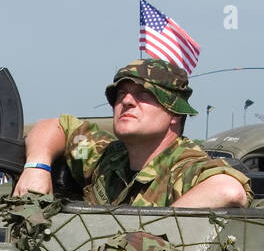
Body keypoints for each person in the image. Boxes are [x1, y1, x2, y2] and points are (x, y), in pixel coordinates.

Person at [13, 59, 250, 208]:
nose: (126, 101)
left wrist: (147, 233)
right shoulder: (108, 156)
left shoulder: (184, 166)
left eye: (143, 95)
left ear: (174, 113)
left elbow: (228, 190)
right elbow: (54, 125)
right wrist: (37, 166)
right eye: (121, 94)